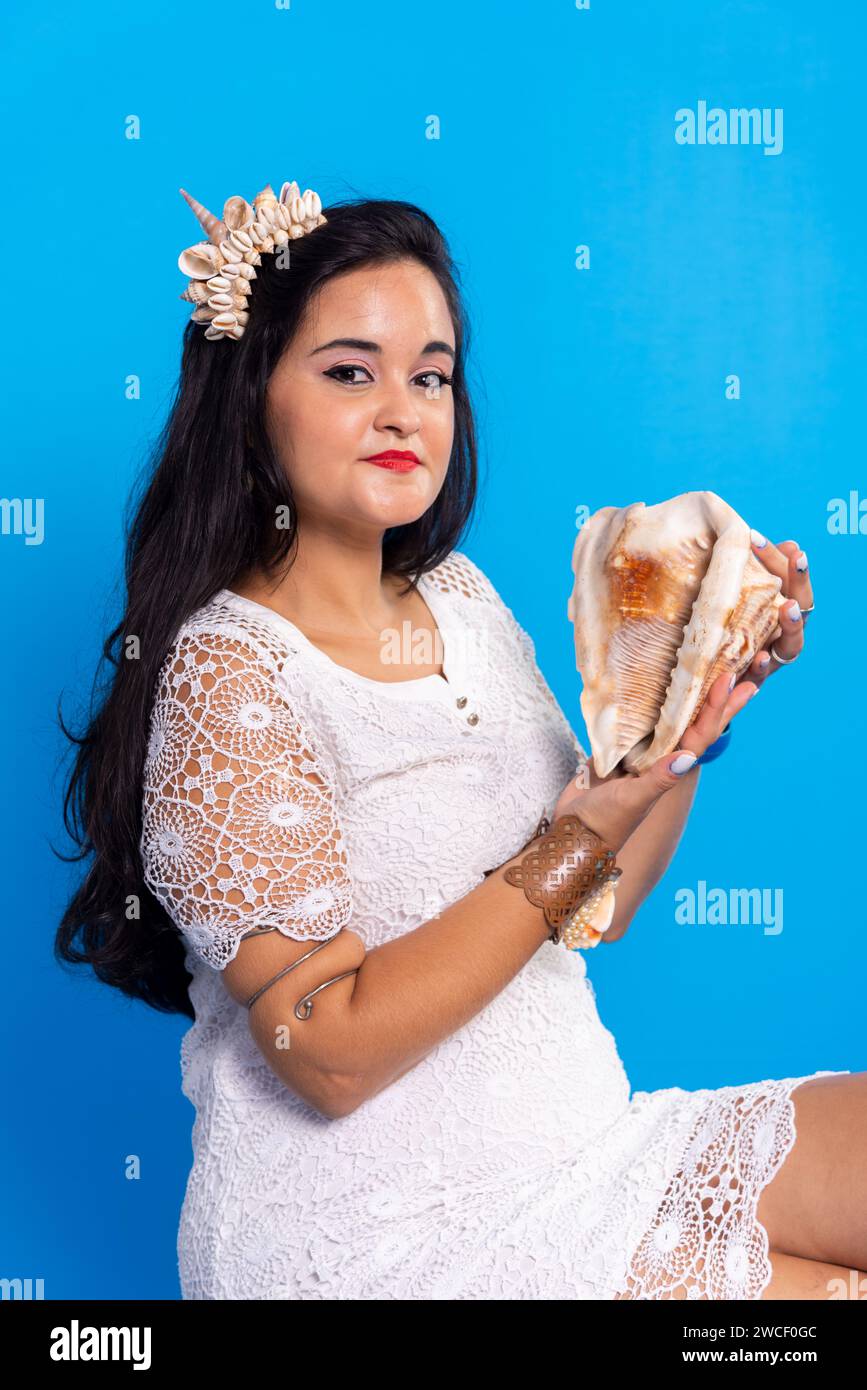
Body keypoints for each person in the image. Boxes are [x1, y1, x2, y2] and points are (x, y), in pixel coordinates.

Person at [56, 183, 864, 1301]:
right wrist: (586, 820)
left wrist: (685, 712)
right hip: (386, 1236)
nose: (404, 410)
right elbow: (324, 1049)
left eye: (429, 375)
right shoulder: (225, 675)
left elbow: (596, 903)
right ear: (251, 403)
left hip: (580, 1152)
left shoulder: (460, 599)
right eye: (351, 371)